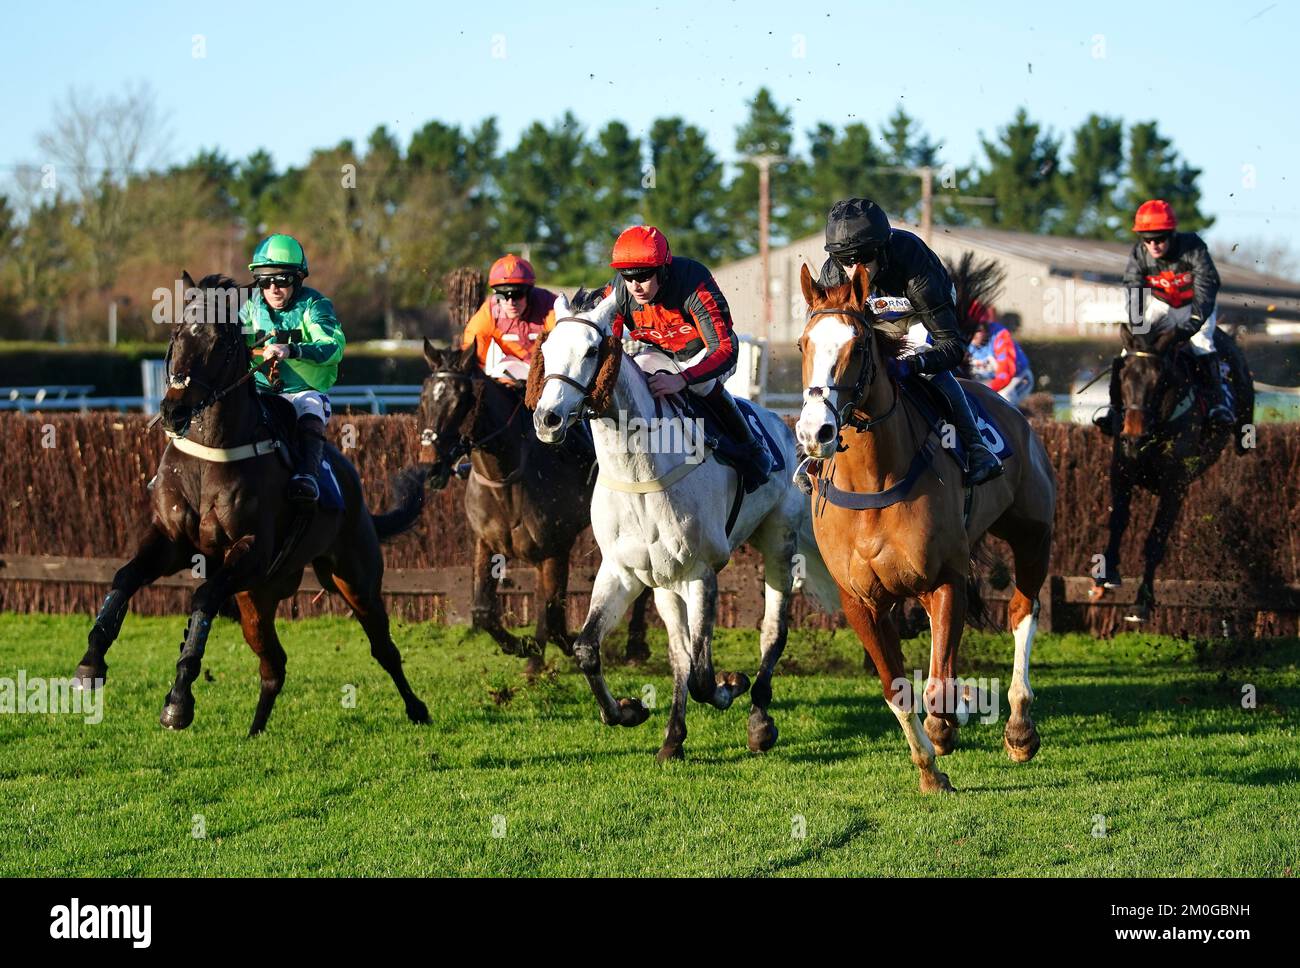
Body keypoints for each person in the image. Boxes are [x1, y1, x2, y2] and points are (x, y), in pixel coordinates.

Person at [817, 198, 1003, 484]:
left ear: (881, 250)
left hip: (920, 314)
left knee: (928, 369)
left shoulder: (913, 262)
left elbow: (952, 348)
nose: (854, 271)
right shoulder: (833, 274)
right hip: (875, 321)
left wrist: (913, 364)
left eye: (863, 258)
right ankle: (813, 450)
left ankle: (977, 447)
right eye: (845, 261)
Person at [602, 225, 774, 492]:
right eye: (627, 275)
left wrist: (682, 379)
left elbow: (723, 348)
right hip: (661, 353)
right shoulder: (620, 292)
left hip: (707, 352)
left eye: (644, 275)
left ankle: (751, 450)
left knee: (700, 385)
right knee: (637, 373)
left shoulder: (693, 280)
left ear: (663, 269)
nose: (635, 285)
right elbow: (609, 350)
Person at [1095, 199, 1232, 434]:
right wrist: (1138, 329)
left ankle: (1217, 406)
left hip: (1195, 306)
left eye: (1159, 238)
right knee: (1129, 352)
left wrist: (1189, 326)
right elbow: (1133, 289)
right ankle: (1114, 409)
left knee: (1202, 343)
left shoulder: (1193, 247)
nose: (1153, 245)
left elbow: (1207, 287)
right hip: (1163, 305)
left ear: (1171, 234)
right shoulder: (1139, 254)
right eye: (1147, 239)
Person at [239, 233, 344, 506]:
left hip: (302, 394)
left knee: (310, 406)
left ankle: (308, 475)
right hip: (259, 392)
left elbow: (333, 346)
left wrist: (292, 350)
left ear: (298, 279)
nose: (273, 288)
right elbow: (231, 340)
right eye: (265, 281)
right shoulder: (251, 306)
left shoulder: (314, 305)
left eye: (282, 280)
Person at [461, 254, 557, 383]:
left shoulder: (550, 305)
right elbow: (472, 349)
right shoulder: (490, 311)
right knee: (500, 373)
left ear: (529, 292)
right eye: (503, 295)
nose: (510, 302)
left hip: (552, 366)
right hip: (516, 366)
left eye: (517, 294)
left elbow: (565, 346)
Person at [965, 301, 1034, 407]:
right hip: (985, 381)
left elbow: (1004, 375)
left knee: (1003, 399)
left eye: (978, 329)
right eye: (969, 329)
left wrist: (983, 393)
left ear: (986, 326)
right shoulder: (961, 339)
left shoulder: (1000, 336)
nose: (973, 334)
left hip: (1017, 378)